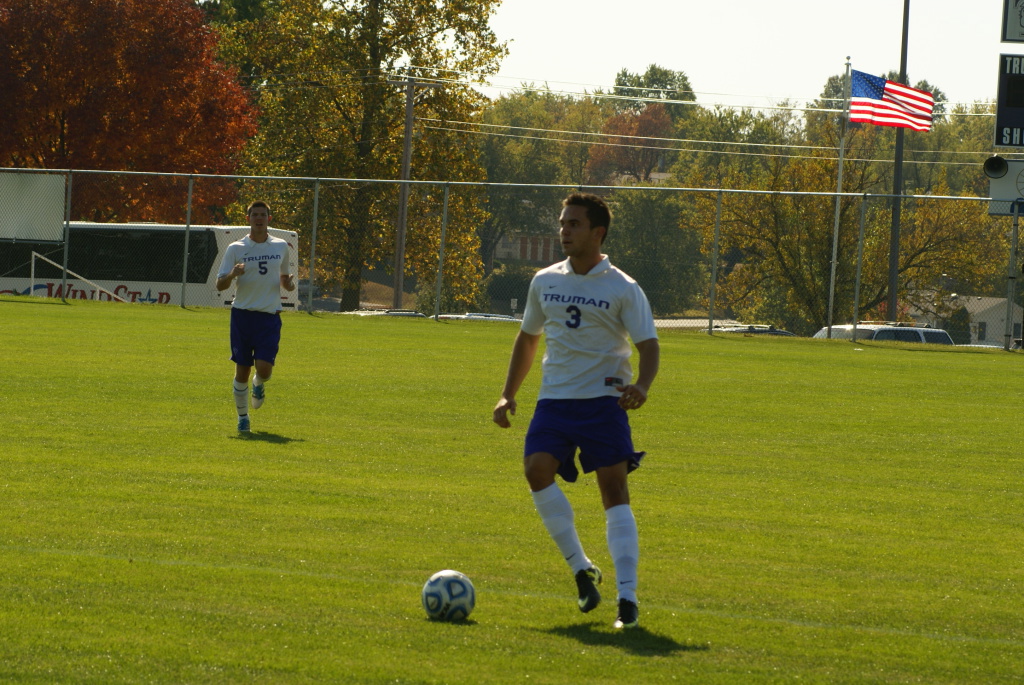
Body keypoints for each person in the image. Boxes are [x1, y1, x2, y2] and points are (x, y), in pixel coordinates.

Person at [493, 192, 660, 629]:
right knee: (536, 470)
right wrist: (508, 393)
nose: (564, 231)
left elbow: (649, 346)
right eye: (563, 223)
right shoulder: (544, 280)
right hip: (555, 401)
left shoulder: (623, 287)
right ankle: (581, 568)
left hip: (605, 403)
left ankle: (627, 599)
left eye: (574, 224)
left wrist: (641, 385)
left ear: (597, 233)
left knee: (613, 490)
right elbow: (528, 339)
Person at [216, 201, 296, 433]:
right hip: (242, 315)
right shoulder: (236, 248)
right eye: (255, 215)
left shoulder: (281, 246)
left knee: (264, 369)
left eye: (263, 215)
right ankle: (243, 418)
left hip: (269, 316)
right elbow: (220, 285)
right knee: (242, 370)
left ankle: (259, 384)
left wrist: (289, 284)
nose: (259, 218)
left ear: (269, 219)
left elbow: (285, 283)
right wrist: (233, 274)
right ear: (248, 218)